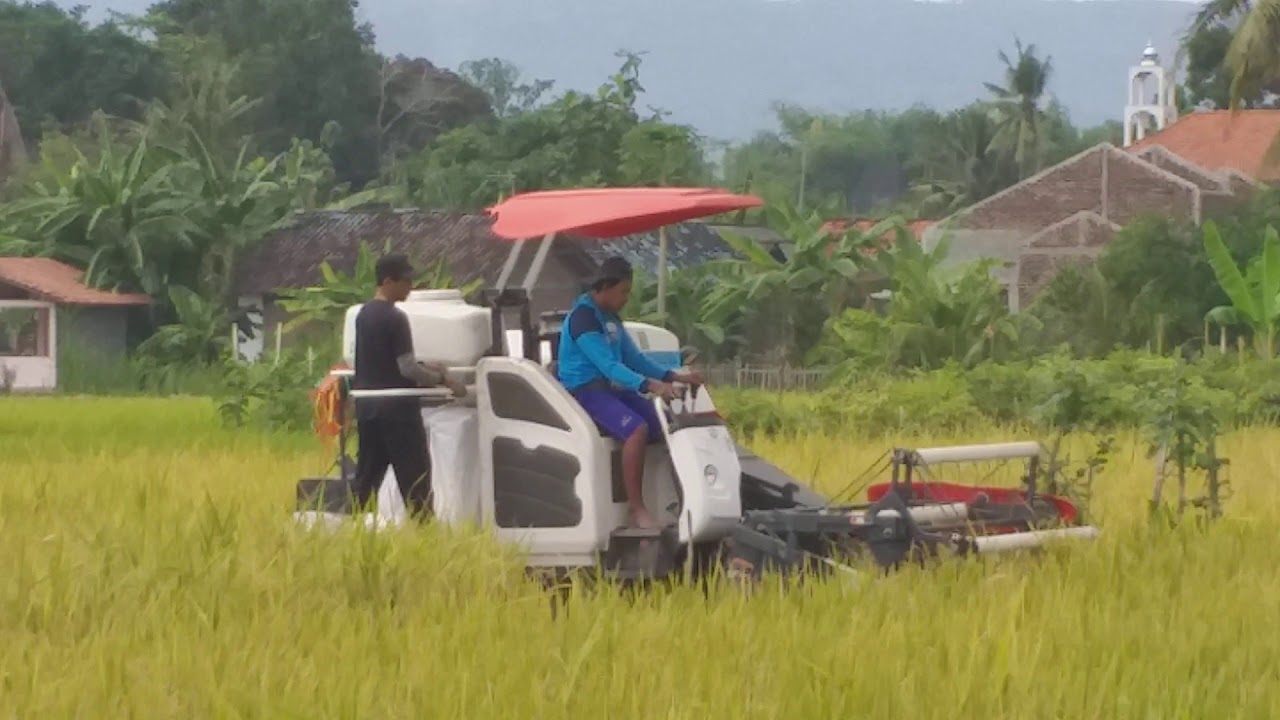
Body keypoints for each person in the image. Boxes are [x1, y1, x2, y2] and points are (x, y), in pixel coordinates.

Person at [557, 256, 702, 529]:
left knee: (667, 424)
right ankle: (636, 509)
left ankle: (679, 499)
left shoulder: (610, 317)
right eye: (623, 291)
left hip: (611, 390)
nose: (626, 298)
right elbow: (609, 366)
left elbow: (634, 359)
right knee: (636, 430)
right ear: (606, 287)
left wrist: (672, 376)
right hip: (585, 391)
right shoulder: (583, 318)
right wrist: (650, 385)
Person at [350, 253, 466, 520]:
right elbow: (407, 369)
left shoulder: (363, 315)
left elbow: (382, 360)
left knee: (366, 480)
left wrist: (427, 365)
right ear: (388, 281)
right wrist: (444, 380)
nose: (410, 287)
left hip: (368, 409)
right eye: (405, 281)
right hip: (398, 411)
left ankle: (354, 532)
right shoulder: (395, 318)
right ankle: (425, 537)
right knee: (415, 481)